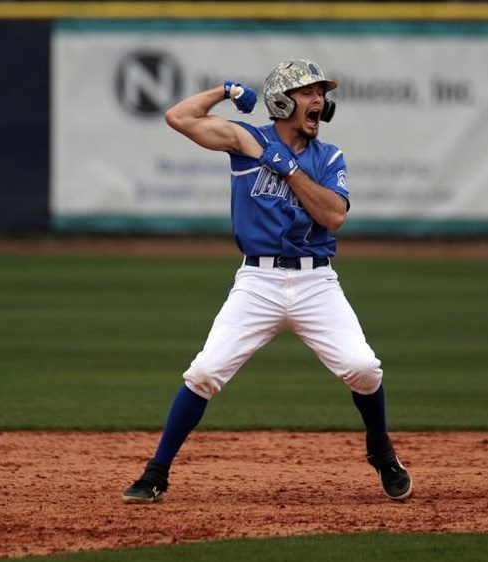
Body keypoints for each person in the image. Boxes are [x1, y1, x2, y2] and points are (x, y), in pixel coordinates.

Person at [122, 59, 412, 503]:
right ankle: (156, 472)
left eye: (321, 94)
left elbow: (334, 216)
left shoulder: (328, 157)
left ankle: (381, 450)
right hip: (257, 282)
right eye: (308, 92)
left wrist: (290, 170)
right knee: (204, 372)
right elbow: (178, 117)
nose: (319, 101)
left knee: (363, 368)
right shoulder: (247, 141)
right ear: (281, 100)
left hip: (316, 283)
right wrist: (225, 90)